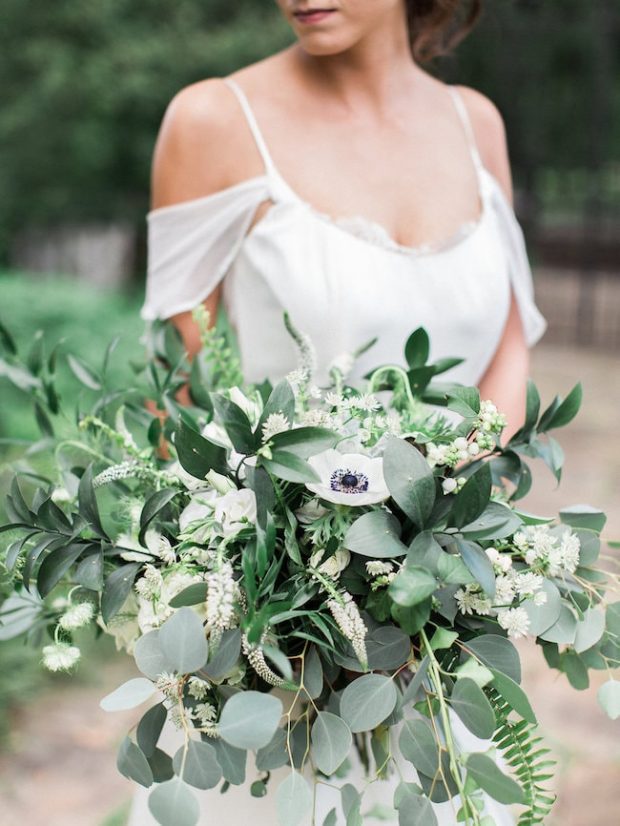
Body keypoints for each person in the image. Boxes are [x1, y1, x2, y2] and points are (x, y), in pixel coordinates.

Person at [132, 1, 547, 823]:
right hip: (275, 640)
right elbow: (182, 388)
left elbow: (509, 348)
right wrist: (283, 579)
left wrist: (440, 526)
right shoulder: (214, 120)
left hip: (435, 628)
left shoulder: (475, 124)